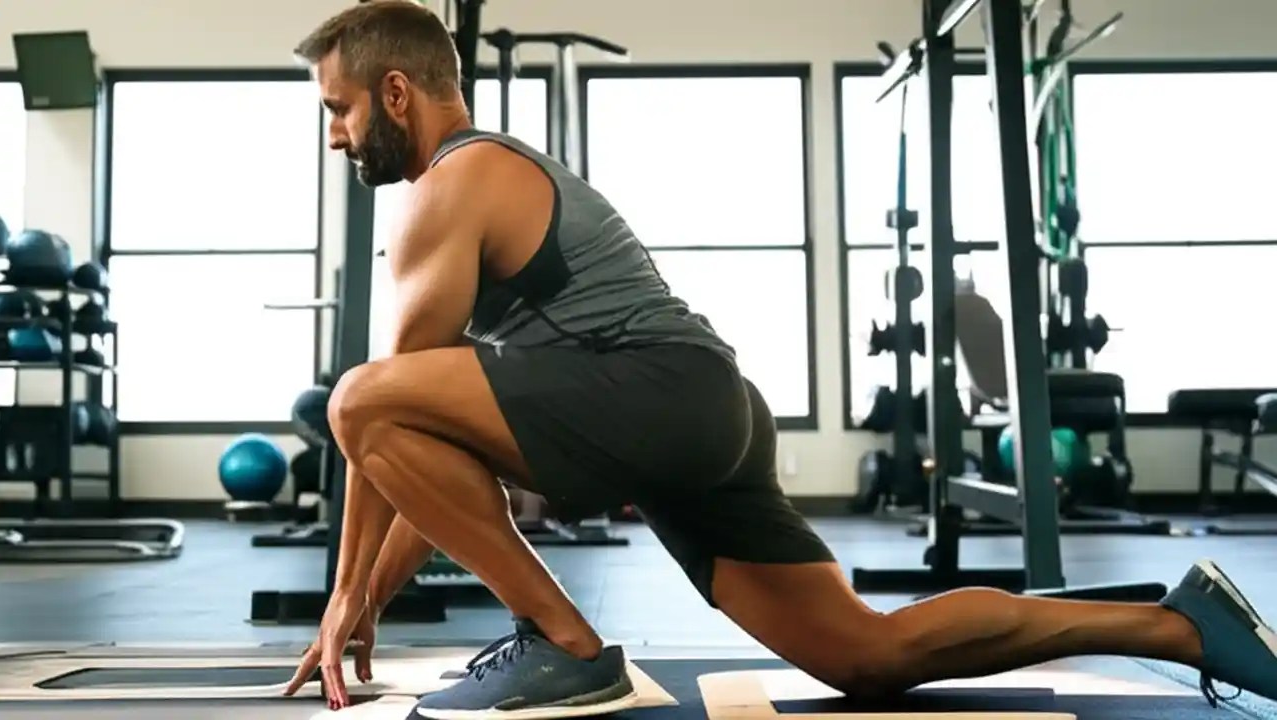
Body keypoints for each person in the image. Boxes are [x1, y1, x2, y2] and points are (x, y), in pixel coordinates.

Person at [283, 1, 1277, 716]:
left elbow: (379, 417)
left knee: (356, 396)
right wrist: (360, 597)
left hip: (659, 394)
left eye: (338, 108)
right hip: (702, 408)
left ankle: (564, 642)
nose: (334, 135)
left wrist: (346, 598)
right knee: (865, 656)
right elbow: (418, 461)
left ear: (397, 91)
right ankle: (1180, 628)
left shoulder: (453, 184)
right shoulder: (485, 172)